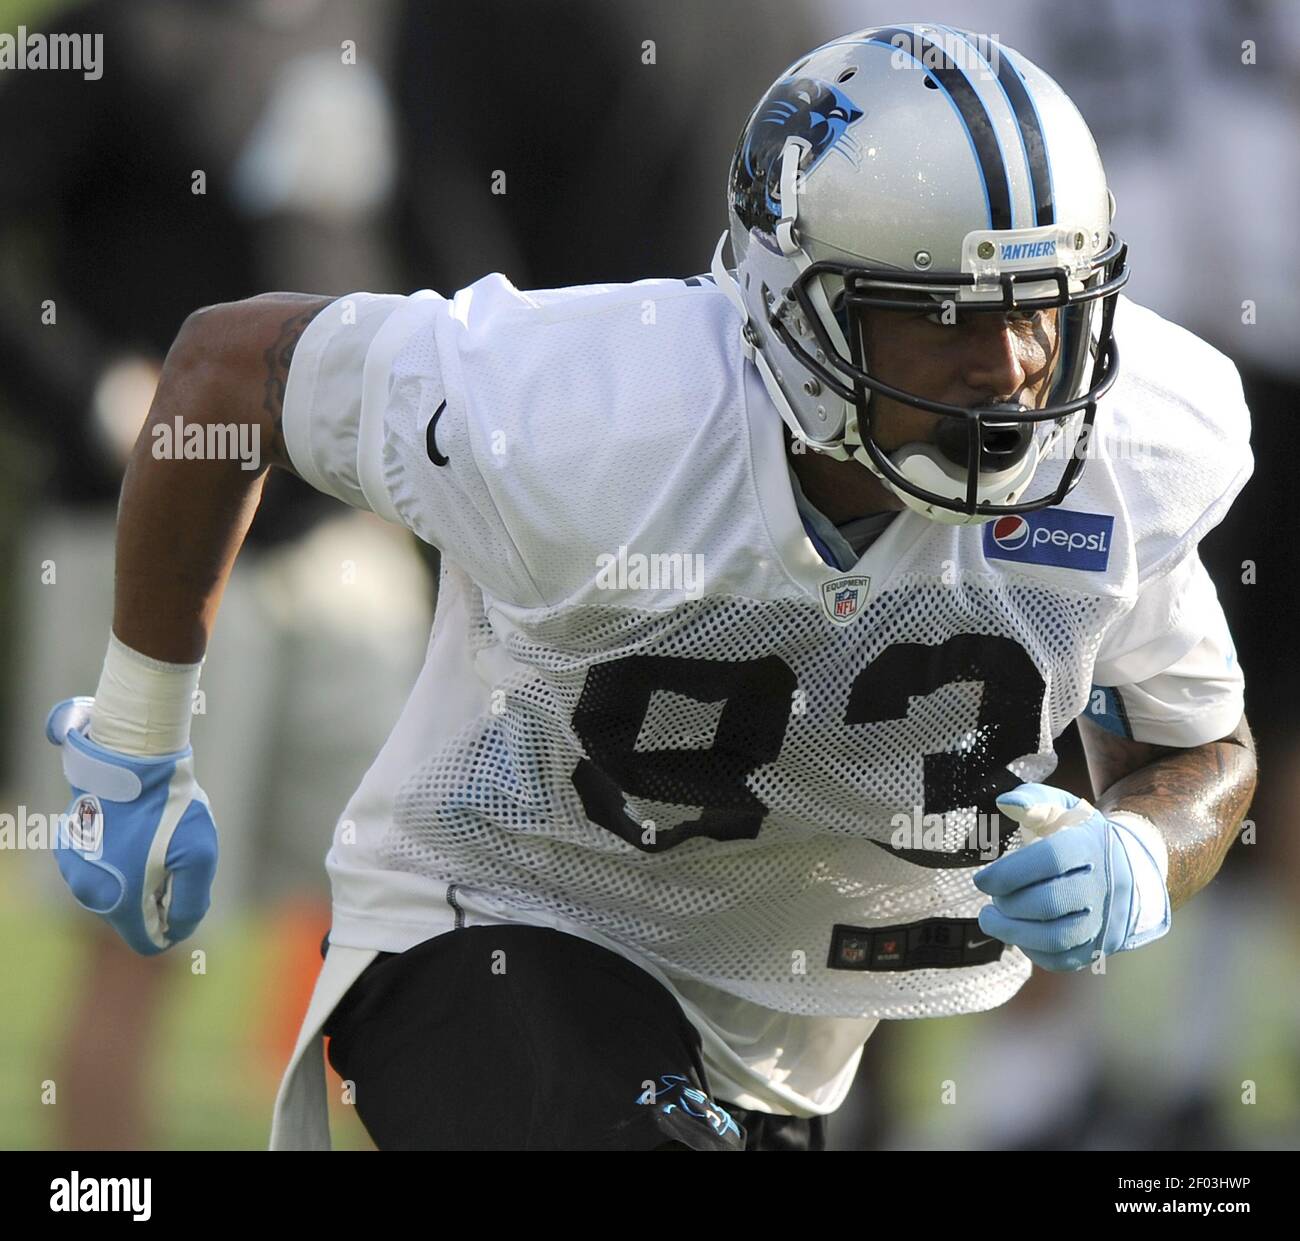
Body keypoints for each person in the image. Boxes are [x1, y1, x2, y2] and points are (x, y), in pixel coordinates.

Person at [46, 24, 1256, 1152]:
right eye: (941, 315)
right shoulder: (588, 415)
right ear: (799, 315)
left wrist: (1143, 854)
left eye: (1041, 308)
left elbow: (1202, 752)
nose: (1010, 370)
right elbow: (225, 370)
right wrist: (139, 735)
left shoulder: (1124, 451)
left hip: (781, 1044)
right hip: (502, 928)